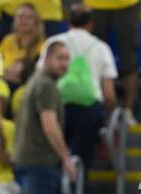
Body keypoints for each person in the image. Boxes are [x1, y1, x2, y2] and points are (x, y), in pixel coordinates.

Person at [13, 39, 78, 194]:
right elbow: (50, 125)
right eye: (59, 58)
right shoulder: (46, 85)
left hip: (28, 159)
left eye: (67, 59)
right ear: (47, 58)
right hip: (39, 161)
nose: (64, 63)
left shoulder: (35, 80)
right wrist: (66, 157)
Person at [47, 4, 119, 172]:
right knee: (81, 158)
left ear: (68, 21)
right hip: (88, 111)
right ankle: (78, 190)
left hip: (55, 107)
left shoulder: (53, 43)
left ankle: (57, 192)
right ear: (91, 24)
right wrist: (109, 117)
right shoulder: (101, 47)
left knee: (53, 159)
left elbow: (41, 77)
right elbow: (108, 94)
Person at [88, 0, 140, 123]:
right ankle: (96, 108)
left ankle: (128, 110)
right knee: (93, 57)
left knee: (129, 58)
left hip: (127, 3)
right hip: (94, 4)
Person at [0, 2, 45, 90]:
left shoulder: (42, 46)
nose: (24, 20)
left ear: (36, 22)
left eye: (29, 18)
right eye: (20, 17)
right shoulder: (7, 40)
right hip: (1, 83)